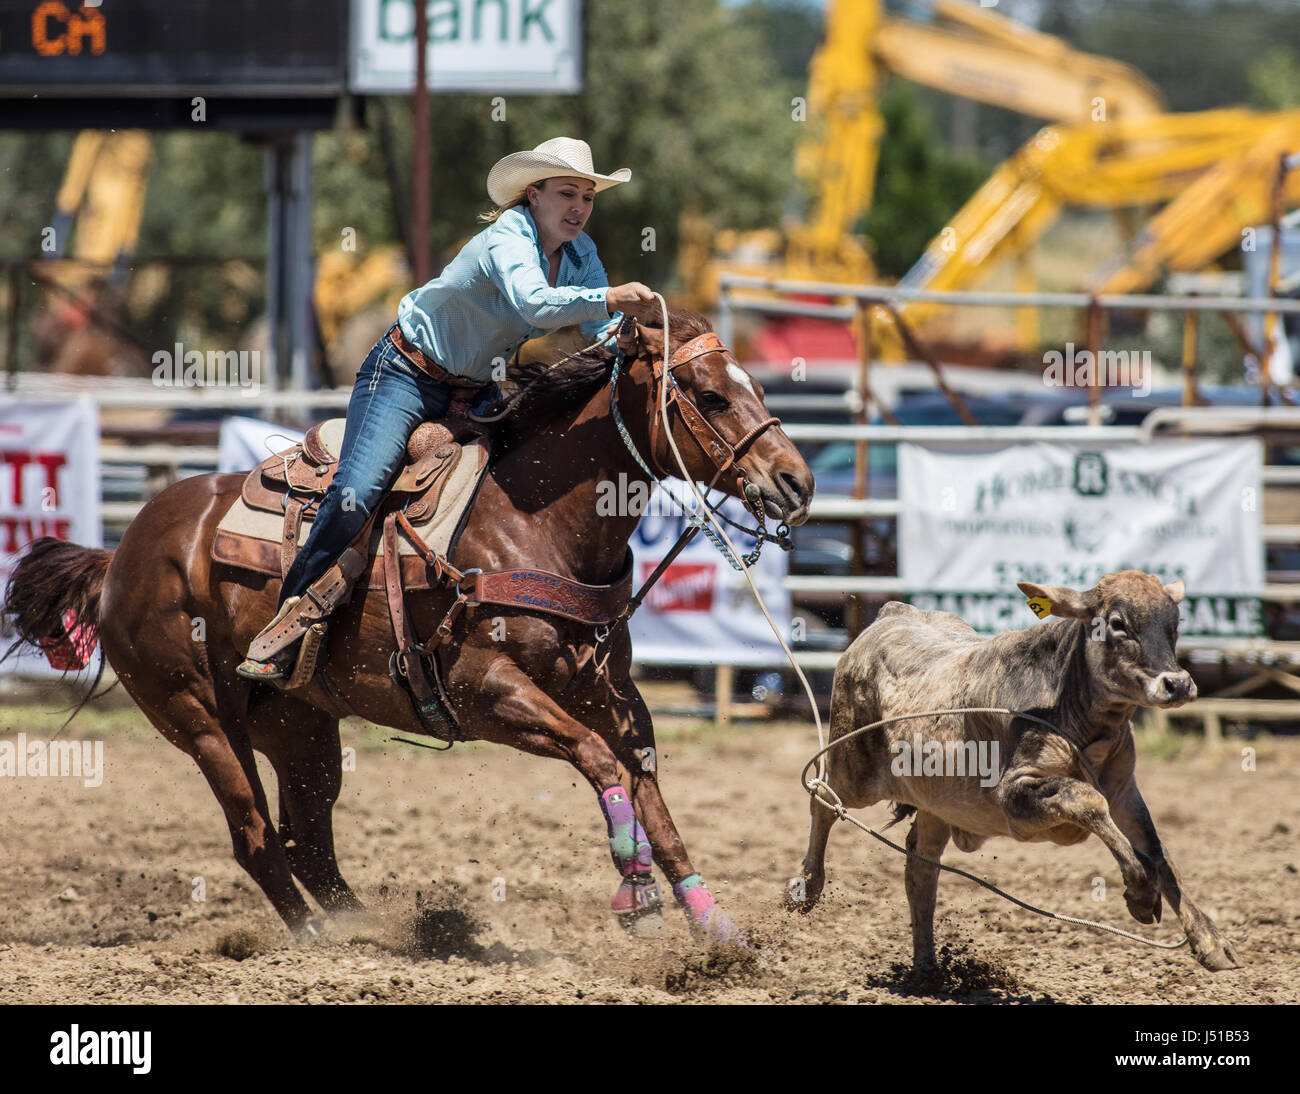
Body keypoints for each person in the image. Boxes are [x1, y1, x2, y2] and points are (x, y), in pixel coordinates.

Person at [237, 137, 658, 679]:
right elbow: (533, 302)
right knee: (357, 491)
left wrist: (640, 340)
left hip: (477, 387)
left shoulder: (581, 255)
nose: (578, 207)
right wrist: (612, 298)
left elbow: (603, 335)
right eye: (566, 193)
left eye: (587, 197)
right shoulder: (508, 237)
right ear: (533, 195)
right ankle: (284, 624)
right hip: (405, 374)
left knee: (523, 477)